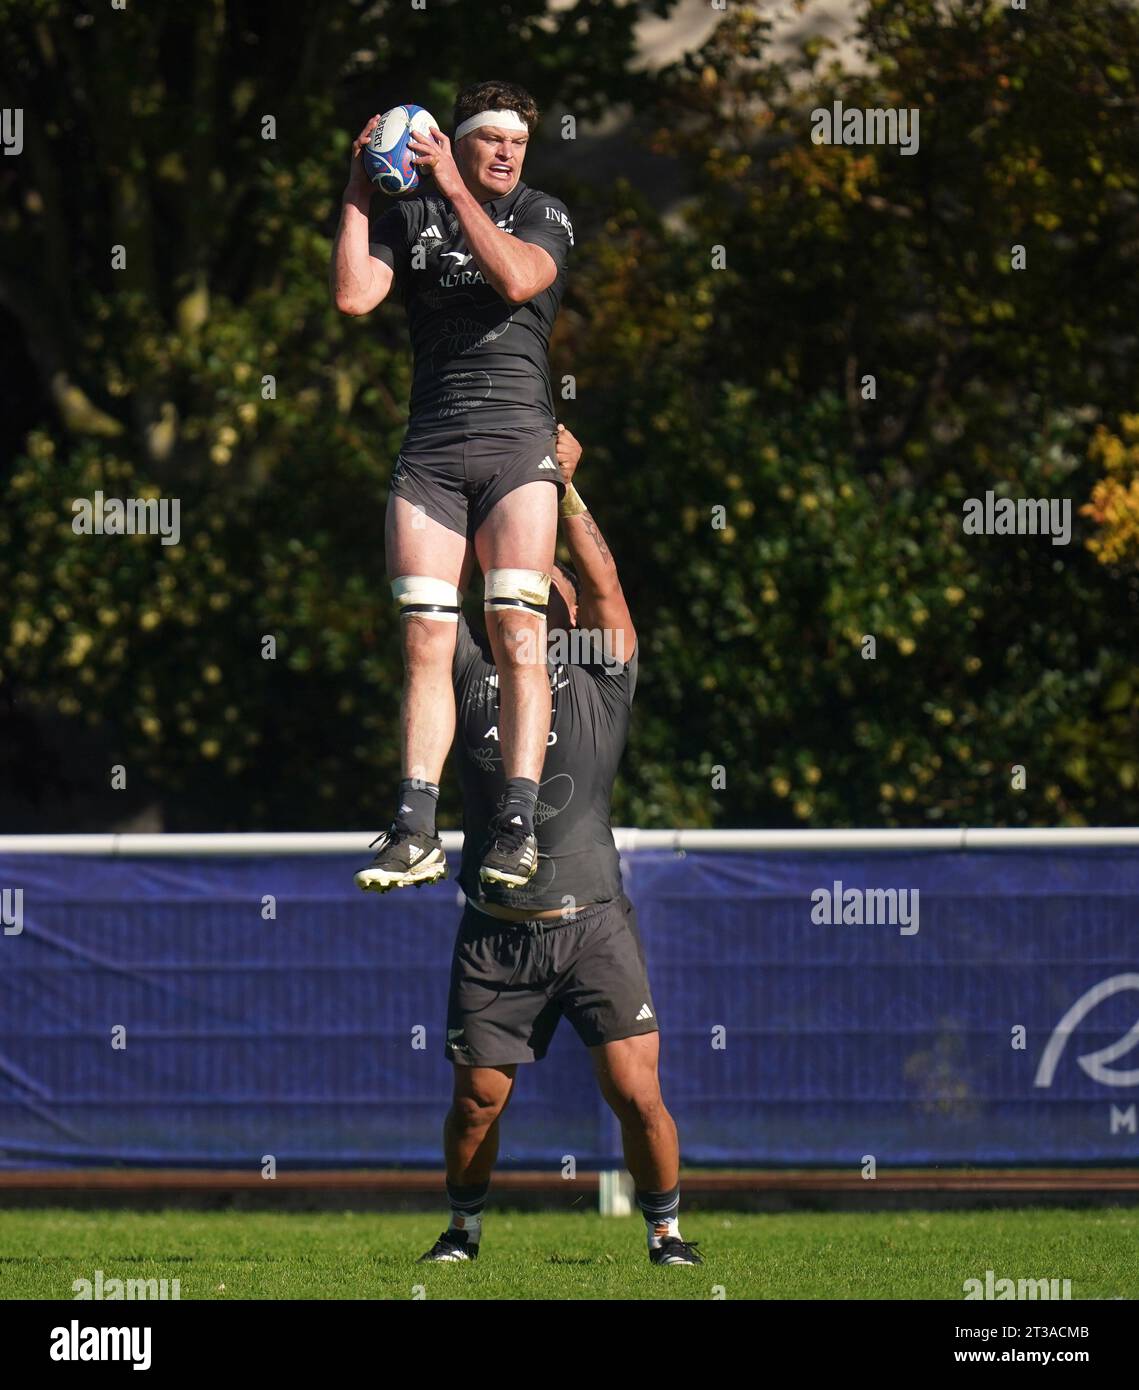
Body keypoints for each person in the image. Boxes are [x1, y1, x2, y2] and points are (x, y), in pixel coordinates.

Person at [417, 428, 702, 1268]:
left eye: (544, 593)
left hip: (591, 926)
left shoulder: (602, 685)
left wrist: (564, 491)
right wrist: (492, 481)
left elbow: (605, 580)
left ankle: (665, 1230)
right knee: (476, 1101)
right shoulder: (469, 677)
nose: (528, 602)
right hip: (496, 929)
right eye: (517, 592)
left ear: (571, 615)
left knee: (633, 1091)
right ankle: (462, 1232)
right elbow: (444, 583)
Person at [333, 80, 575, 893]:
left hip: (516, 450)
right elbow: (353, 294)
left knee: (514, 632)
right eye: (491, 140)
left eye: (518, 141)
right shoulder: (412, 215)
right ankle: (413, 829)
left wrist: (452, 193)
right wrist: (360, 188)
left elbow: (515, 281)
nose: (507, 152)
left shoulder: (543, 213)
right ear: (457, 141)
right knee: (425, 641)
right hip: (431, 453)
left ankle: (513, 826)